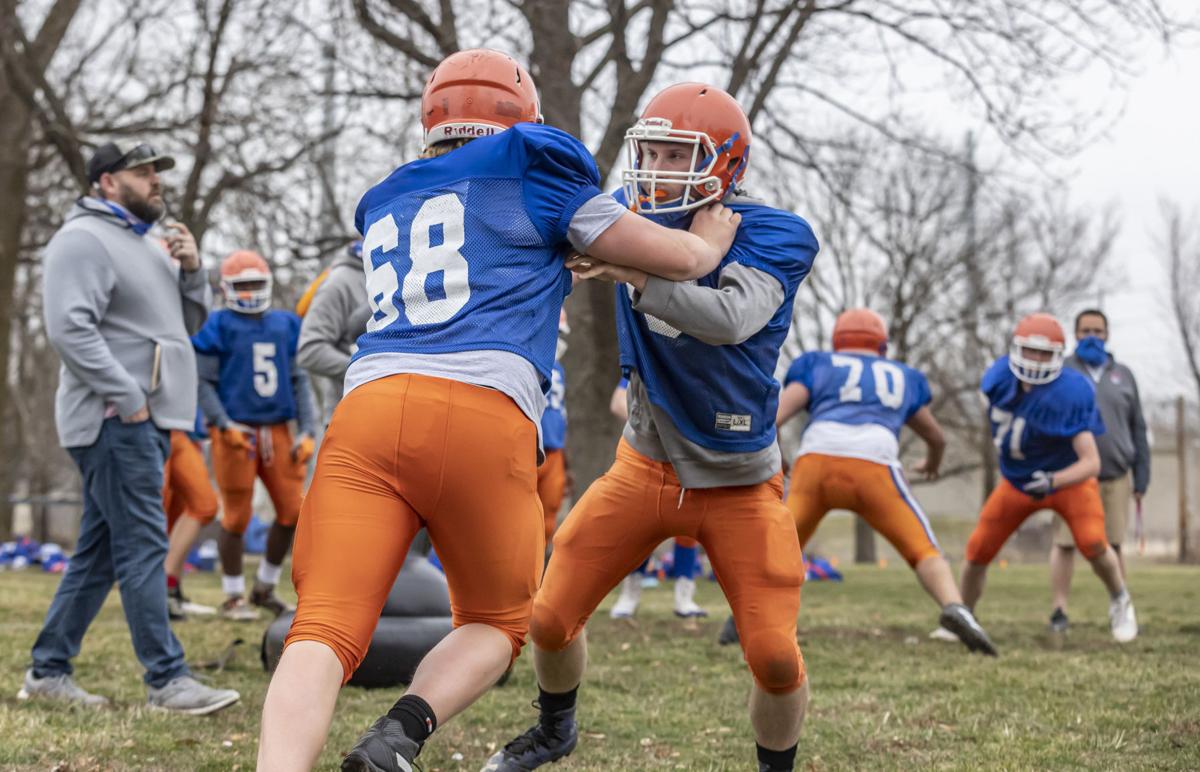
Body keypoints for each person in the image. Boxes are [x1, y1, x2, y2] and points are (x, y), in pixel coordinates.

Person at [255, 50, 741, 772]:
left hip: (365, 412)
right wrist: (706, 245)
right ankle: (397, 736)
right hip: (477, 415)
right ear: (522, 116)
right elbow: (672, 259)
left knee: (321, 629)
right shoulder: (534, 163)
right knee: (496, 622)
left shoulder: (389, 192)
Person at [485, 83, 818, 772]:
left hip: (739, 476)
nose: (659, 169)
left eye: (677, 154)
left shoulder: (777, 232)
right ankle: (554, 729)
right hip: (642, 465)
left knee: (776, 657)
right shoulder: (627, 221)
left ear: (726, 165)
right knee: (548, 619)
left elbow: (728, 321)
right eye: (653, 152)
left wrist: (634, 273)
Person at [22, 141, 238, 714]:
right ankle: (167, 680)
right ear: (106, 183)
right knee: (145, 543)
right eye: (142, 173)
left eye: (157, 173)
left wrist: (193, 271)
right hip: (116, 418)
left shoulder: (146, 242)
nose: (155, 182)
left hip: (148, 418)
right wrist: (126, 395)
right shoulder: (82, 240)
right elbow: (69, 329)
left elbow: (184, 325)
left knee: (98, 552)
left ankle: (48, 670)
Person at [752, 308, 994, 655]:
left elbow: (773, 418)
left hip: (817, 460)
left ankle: (752, 616)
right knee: (923, 550)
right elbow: (937, 438)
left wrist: (781, 458)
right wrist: (931, 464)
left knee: (782, 549)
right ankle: (954, 607)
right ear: (881, 344)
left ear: (838, 340)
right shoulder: (901, 375)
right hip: (875, 463)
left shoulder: (818, 364)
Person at [959, 313, 1137, 643]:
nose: (1036, 360)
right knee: (977, 551)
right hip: (1018, 481)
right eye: (1030, 351)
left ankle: (1119, 599)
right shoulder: (997, 378)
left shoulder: (1070, 391)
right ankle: (962, 617)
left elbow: (1091, 463)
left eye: (1044, 353)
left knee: (1095, 544)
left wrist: (1054, 480)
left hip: (1067, 480)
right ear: (1015, 350)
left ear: (1059, 356)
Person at [192, 250, 318, 620]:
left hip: (278, 429)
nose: (249, 292)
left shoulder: (285, 324)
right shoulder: (218, 325)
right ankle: (233, 596)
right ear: (227, 289)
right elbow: (204, 382)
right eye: (241, 285)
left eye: (255, 284)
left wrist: (308, 429)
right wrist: (222, 423)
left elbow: (300, 380)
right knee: (236, 516)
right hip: (236, 432)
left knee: (293, 510)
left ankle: (264, 586)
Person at [1047, 308, 1151, 633]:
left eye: (1098, 330)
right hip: (1072, 476)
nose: (1092, 336)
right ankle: (1059, 611)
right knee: (1065, 543)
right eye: (1085, 330)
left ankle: (1119, 606)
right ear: (1075, 334)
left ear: (1107, 334)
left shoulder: (1124, 375)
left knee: (1113, 543)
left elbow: (1137, 427)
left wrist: (1141, 475)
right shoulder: (1061, 371)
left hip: (1116, 475)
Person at [607, 377, 708, 619]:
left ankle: (684, 596)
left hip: (688, 454)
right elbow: (617, 401)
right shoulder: (647, 357)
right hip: (649, 452)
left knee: (689, 524)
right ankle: (630, 594)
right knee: (642, 524)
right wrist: (645, 421)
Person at [297, 240, 371, 427]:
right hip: (349, 421)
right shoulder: (339, 282)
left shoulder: (401, 271)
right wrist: (366, 371)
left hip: (393, 416)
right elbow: (309, 350)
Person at [162, 405, 220, 619]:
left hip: (184, 429)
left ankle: (169, 587)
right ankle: (162, 591)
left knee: (203, 505)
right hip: (154, 424)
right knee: (156, 513)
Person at [538, 311, 572, 547]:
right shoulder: (528, 361)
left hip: (554, 450)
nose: (557, 338)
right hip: (529, 449)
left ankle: (537, 576)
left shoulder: (559, 369)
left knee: (549, 516)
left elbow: (561, 415)